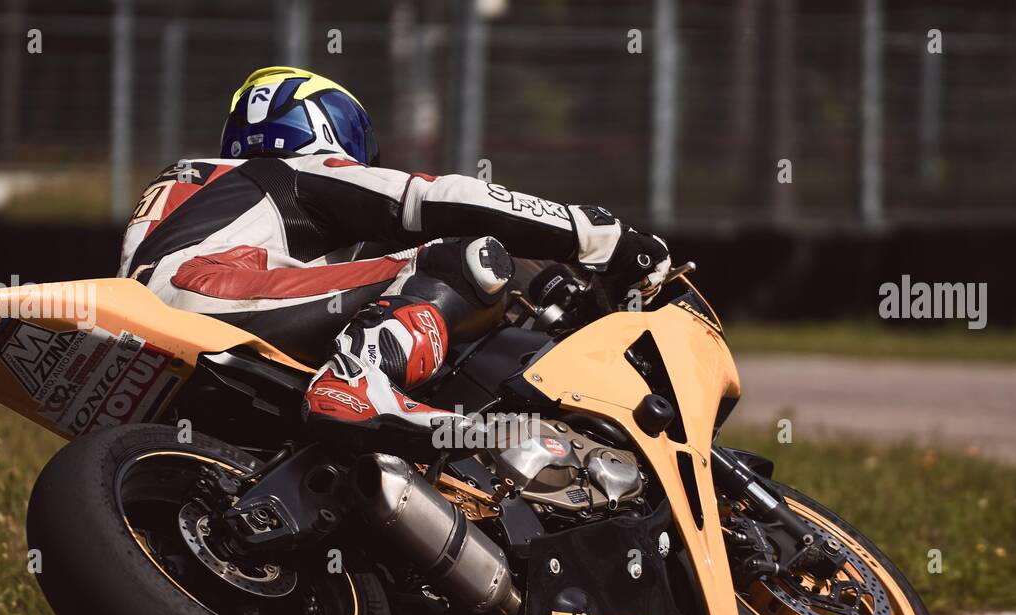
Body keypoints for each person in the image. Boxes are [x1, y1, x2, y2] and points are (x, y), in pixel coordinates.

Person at [118, 66, 670, 451]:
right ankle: (361, 381)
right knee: (466, 259)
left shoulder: (205, 187)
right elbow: (440, 199)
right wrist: (597, 236)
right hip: (208, 299)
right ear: (323, 125)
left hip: (155, 338)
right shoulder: (288, 171)